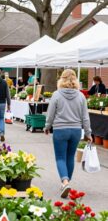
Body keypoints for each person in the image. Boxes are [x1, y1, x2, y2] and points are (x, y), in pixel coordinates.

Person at [44, 69, 92, 198]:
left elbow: (51, 113)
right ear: (75, 80)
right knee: (70, 157)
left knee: (60, 158)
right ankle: (67, 183)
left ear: (62, 79)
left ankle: (65, 182)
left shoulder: (56, 94)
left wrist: (47, 126)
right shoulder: (81, 96)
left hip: (60, 130)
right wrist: (88, 133)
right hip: (76, 130)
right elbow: (85, 117)